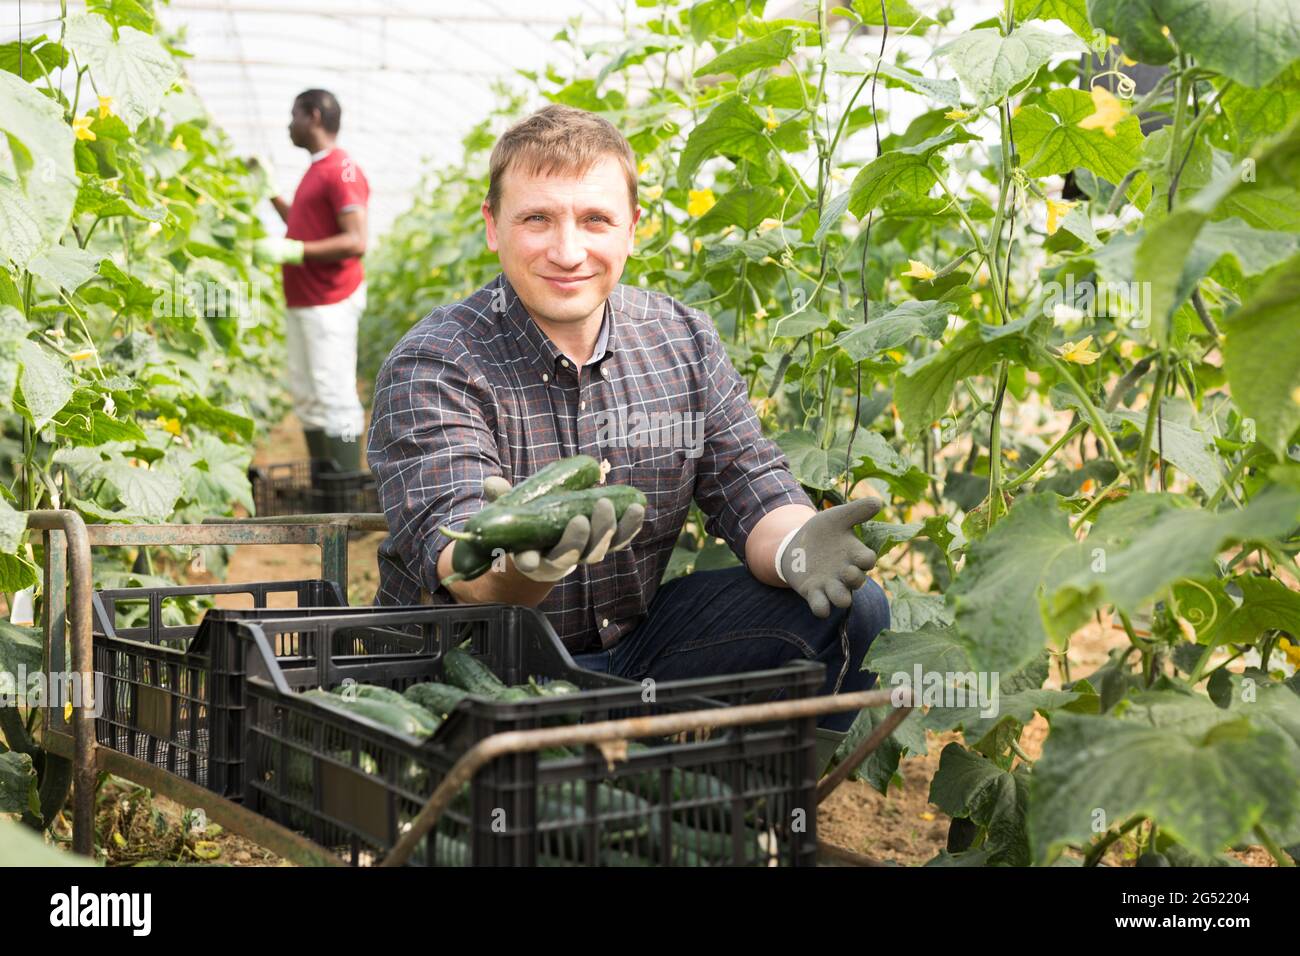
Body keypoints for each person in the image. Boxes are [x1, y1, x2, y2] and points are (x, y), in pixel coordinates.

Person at [367, 105, 890, 772]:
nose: (567, 250)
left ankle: (755, 815)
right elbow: (464, 566)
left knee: (853, 608)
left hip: (633, 654)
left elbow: (749, 486)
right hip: (474, 673)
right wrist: (526, 565)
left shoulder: (682, 340)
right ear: (492, 226)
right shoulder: (437, 364)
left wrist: (795, 544)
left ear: (633, 229)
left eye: (595, 219)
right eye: (537, 218)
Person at [252, 88, 370, 487]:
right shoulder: (317, 169)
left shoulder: (343, 168)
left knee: (334, 394)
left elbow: (356, 240)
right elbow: (303, 228)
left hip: (330, 299)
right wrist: (271, 193)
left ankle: (347, 492)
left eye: (293, 115)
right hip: (305, 299)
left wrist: (295, 250)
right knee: (307, 395)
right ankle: (325, 490)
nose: (289, 124)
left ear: (314, 117)